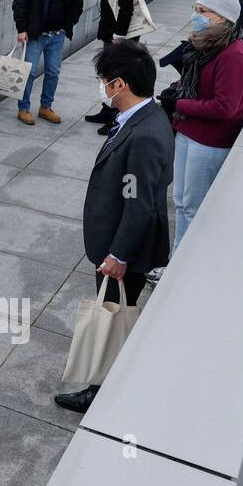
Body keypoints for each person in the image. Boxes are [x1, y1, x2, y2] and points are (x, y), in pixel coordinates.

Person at [54, 41, 174, 414]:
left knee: (112, 314)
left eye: (104, 80)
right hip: (121, 243)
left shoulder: (144, 135)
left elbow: (138, 203)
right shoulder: (144, 120)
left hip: (125, 251)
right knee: (114, 311)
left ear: (119, 85)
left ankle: (99, 389)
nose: (102, 87)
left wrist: (119, 253)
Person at [157, 0, 243, 255]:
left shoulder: (233, 54)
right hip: (187, 131)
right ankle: (177, 258)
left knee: (194, 207)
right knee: (180, 201)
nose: (195, 16)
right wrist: (176, 90)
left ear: (222, 18)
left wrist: (178, 104)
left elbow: (226, 108)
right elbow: (197, 82)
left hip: (209, 142)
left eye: (202, 12)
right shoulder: (206, 44)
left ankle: (186, 261)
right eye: (196, 9)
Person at [12, 0, 84, 126]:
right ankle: (24, 108)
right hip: (36, 35)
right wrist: (21, 29)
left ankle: (46, 107)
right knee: (29, 72)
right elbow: (19, 3)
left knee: (53, 72)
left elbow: (78, 4)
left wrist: (68, 24)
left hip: (58, 35)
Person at [85, 0, 138, 133]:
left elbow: (126, 9)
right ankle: (106, 112)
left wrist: (119, 36)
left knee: (118, 78)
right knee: (108, 74)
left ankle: (116, 119)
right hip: (111, 35)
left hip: (119, 39)